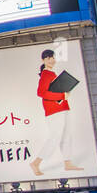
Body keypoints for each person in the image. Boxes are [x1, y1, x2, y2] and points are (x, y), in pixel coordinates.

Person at [30, 47, 81, 177]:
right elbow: (41, 93)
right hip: (54, 110)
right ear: (43, 60)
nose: (51, 60)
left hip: (62, 107)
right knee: (55, 136)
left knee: (66, 135)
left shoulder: (52, 74)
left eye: (53, 57)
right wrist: (62, 96)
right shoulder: (46, 74)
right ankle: (36, 162)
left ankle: (67, 162)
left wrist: (64, 95)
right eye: (48, 58)